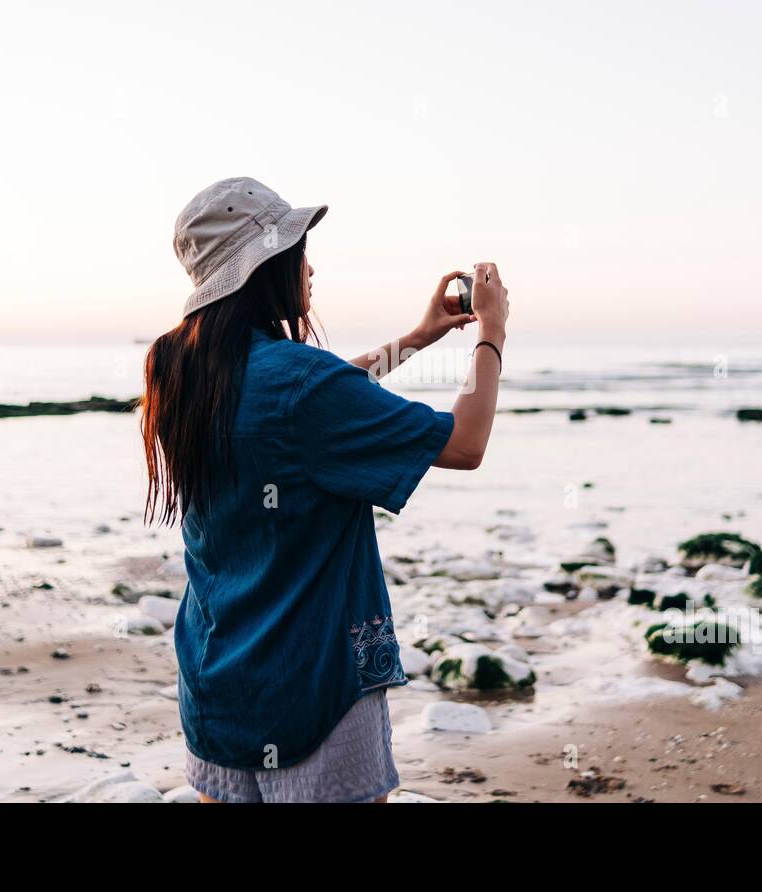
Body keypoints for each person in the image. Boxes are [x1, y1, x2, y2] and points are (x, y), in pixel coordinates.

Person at [140, 176, 510, 803]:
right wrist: (490, 335)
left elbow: (314, 394)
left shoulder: (175, 366)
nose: (309, 269)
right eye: (296, 251)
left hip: (215, 685)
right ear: (265, 269)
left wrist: (415, 340)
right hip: (314, 689)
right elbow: (464, 443)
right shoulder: (299, 383)